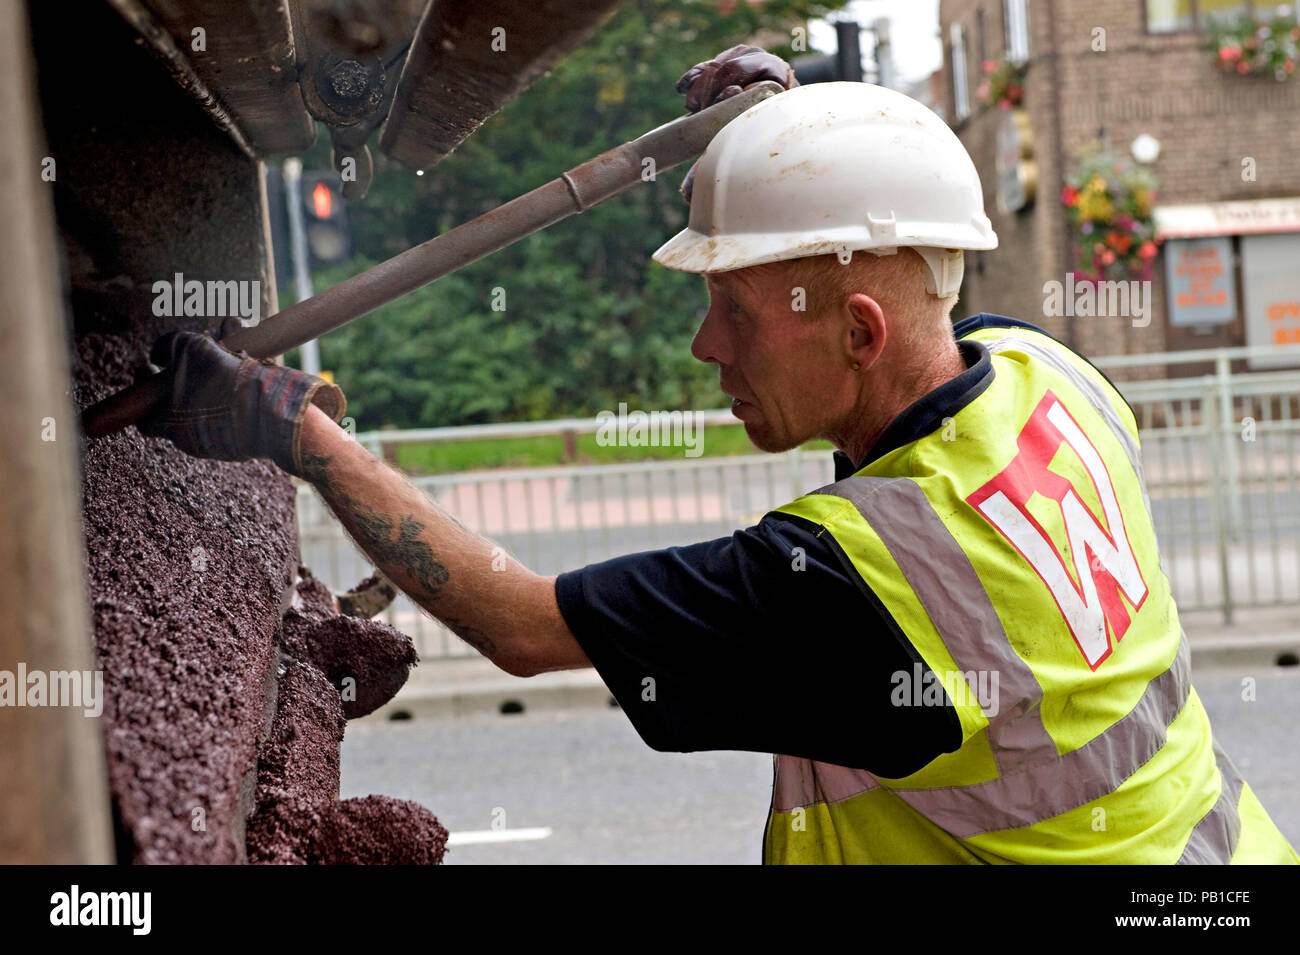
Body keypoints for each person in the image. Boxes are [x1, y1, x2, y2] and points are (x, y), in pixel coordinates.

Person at [136, 47, 1298, 865]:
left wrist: (297, 434)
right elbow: (908, 255)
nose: (705, 346)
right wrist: (797, 141)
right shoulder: (1051, 380)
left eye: (736, 312)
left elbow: (529, 626)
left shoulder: (863, 586)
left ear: (856, 332)